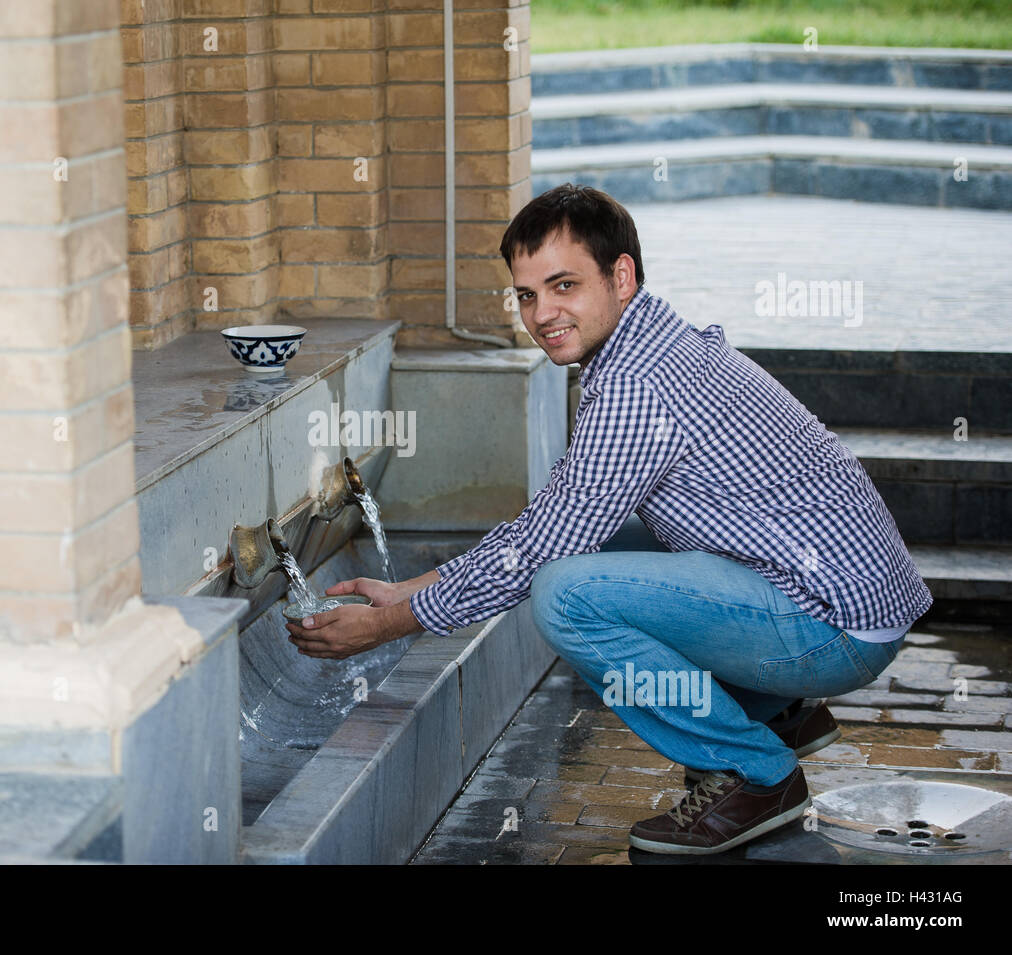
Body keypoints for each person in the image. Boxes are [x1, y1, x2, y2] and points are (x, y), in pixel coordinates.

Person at [284, 183, 931, 855]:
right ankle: (776, 713)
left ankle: (756, 771)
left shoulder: (636, 384)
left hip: (831, 627)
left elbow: (541, 551)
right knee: (599, 540)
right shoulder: (653, 341)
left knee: (565, 595)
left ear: (621, 276)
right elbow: (558, 518)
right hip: (843, 598)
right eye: (527, 294)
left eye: (564, 284)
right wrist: (410, 589)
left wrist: (387, 623)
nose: (542, 314)